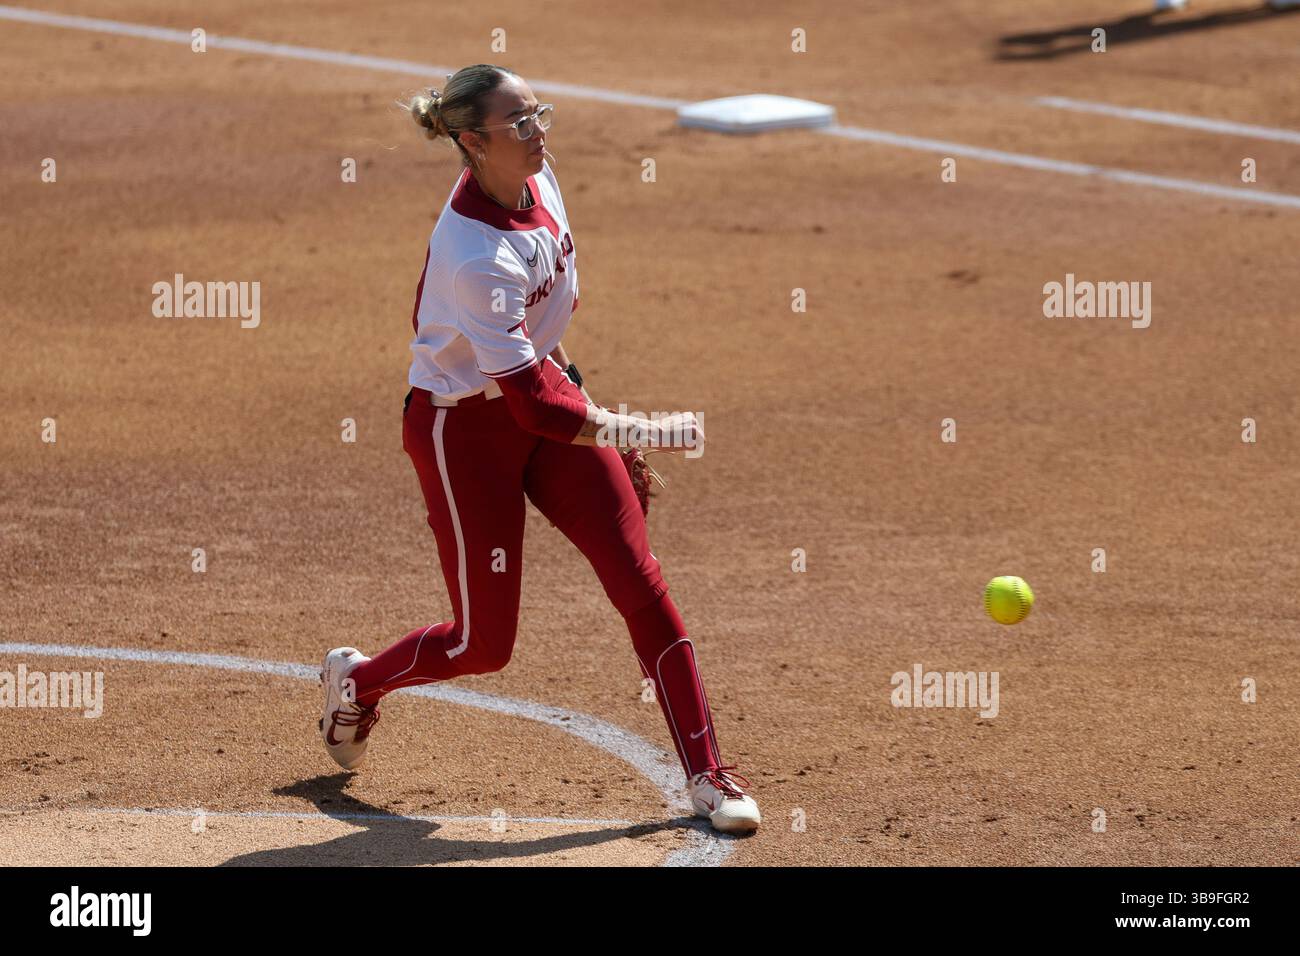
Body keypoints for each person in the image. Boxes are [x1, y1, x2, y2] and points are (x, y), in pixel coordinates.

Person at [317, 64, 760, 835]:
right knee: (484, 645)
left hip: (549, 402)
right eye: (518, 122)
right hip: (465, 434)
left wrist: (599, 417)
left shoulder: (539, 180)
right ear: (470, 140)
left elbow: (544, 349)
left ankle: (708, 774)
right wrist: (633, 430)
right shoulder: (475, 255)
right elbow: (533, 407)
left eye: (539, 114)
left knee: (639, 580)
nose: (538, 131)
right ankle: (359, 683)